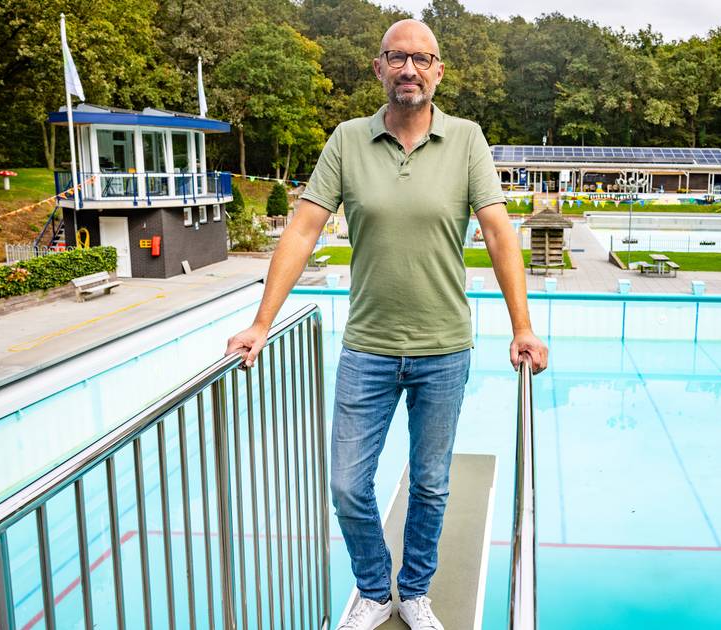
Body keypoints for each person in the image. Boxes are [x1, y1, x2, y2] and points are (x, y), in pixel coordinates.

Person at [224, 18, 548, 630]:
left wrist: (522, 327)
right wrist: (260, 323)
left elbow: (501, 233)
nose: (409, 70)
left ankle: (415, 592)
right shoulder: (347, 140)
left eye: (422, 59)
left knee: (430, 485)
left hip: (444, 347)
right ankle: (375, 590)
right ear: (378, 67)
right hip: (367, 347)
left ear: (439, 71)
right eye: (397, 58)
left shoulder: (468, 139)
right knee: (347, 485)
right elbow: (302, 230)